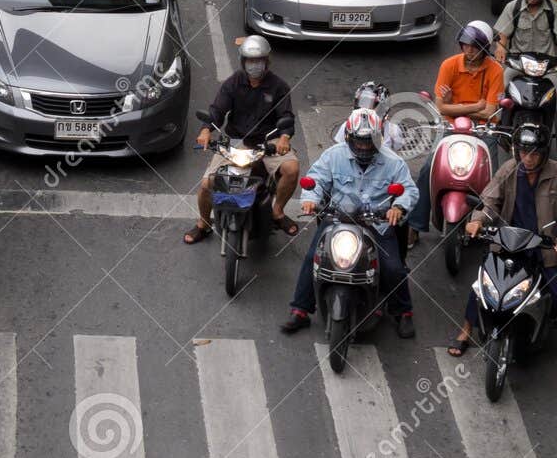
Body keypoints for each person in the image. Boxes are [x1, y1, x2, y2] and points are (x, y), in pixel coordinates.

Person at [281, 109, 417, 338]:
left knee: (393, 268)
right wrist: (310, 202)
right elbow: (316, 180)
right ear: (348, 137)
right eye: (359, 142)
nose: (364, 147)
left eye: (369, 142)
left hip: (376, 222)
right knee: (312, 257)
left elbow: (409, 190)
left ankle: (403, 312)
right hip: (337, 220)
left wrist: (398, 207)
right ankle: (301, 310)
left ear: (378, 139)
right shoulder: (333, 155)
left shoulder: (393, 162)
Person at [447, 124, 557, 357]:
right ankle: (466, 330)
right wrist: (477, 221)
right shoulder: (509, 169)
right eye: (524, 152)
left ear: (544, 153)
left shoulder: (555, 174)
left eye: (534, 153)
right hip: (508, 241)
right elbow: (489, 200)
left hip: (543, 246)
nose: (528, 158)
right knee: (484, 284)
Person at [183, 34, 300, 244]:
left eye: (259, 61)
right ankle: (204, 223)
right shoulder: (233, 83)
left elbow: (286, 116)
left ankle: (278, 211)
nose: (255, 65)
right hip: (236, 141)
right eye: (250, 61)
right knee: (207, 183)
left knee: (292, 169)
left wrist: (284, 137)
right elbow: (217, 109)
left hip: (268, 140)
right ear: (243, 61)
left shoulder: (279, 86)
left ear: (267, 61)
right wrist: (206, 129)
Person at [406, 22, 504, 246]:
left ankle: (489, 225)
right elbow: (441, 108)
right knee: (427, 170)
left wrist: (455, 105)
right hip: (451, 128)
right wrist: (474, 106)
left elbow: (490, 111)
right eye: (465, 45)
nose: (468, 50)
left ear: (485, 48)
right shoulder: (449, 65)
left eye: (474, 46)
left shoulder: (495, 70)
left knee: (496, 178)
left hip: (483, 129)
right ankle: (415, 225)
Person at [494, 0, 557, 65]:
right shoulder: (512, 7)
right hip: (518, 62)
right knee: (505, 79)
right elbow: (503, 35)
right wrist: (500, 47)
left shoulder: (554, 9)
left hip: (547, 64)